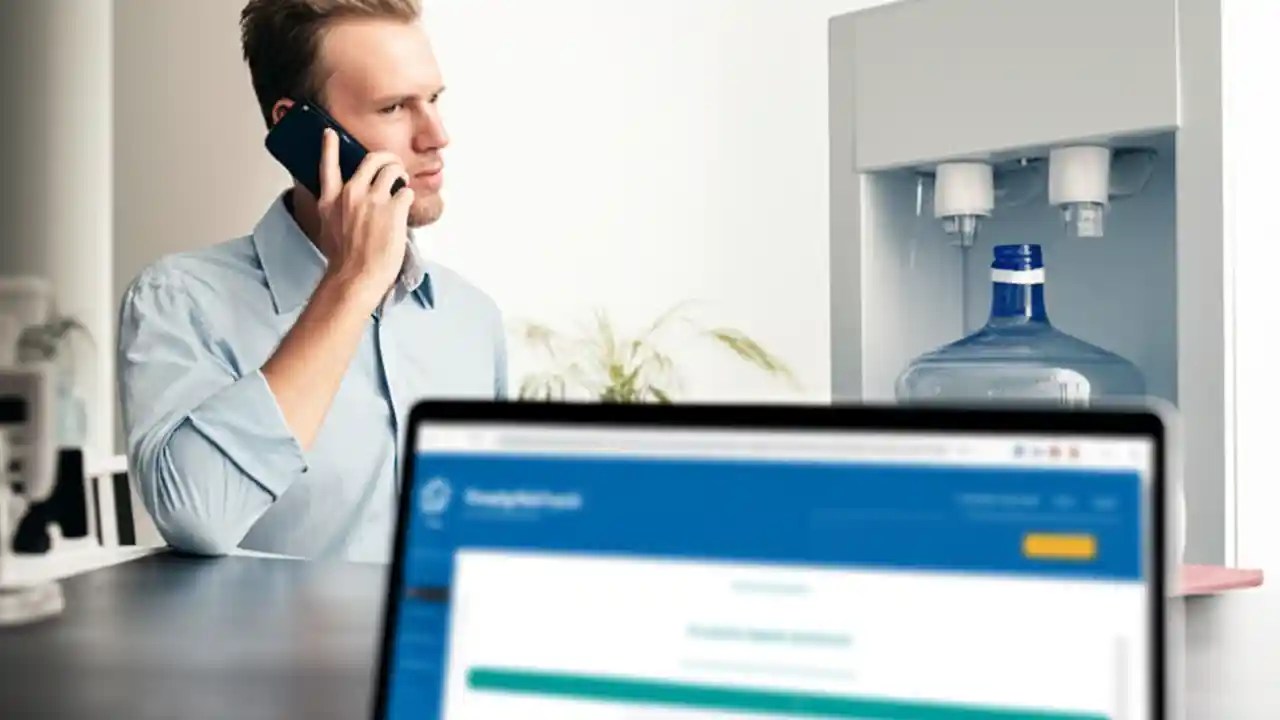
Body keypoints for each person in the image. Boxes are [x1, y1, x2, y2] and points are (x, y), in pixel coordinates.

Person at [117, 0, 505, 562]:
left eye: (435, 99)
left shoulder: (471, 319)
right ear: (298, 129)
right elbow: (198, 515)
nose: (436, 136)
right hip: (268, 653)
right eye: (395, 107)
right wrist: (351, 284)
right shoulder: (180, 302)